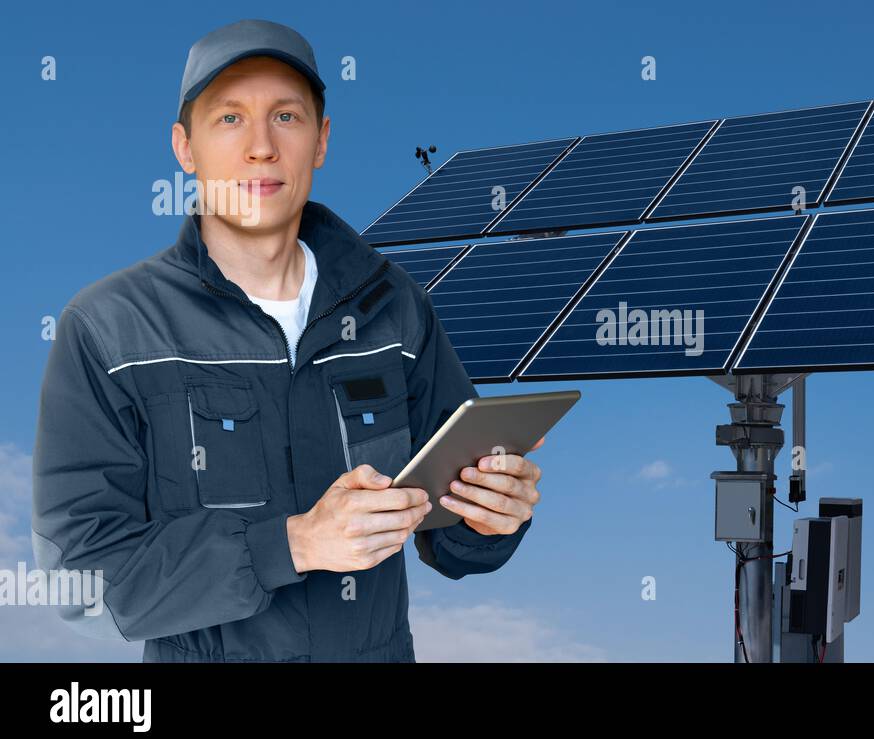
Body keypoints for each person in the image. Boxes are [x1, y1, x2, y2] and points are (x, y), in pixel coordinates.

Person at [30, 19, 542, 662]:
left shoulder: (395, 308)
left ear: (321, 140)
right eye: (229, 119)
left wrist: (491, 515)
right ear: (184, 149)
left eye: (287, 117)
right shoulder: (109, 330)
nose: (261, 147)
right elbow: (80, 582)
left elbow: (454, 536)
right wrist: (293, 545)